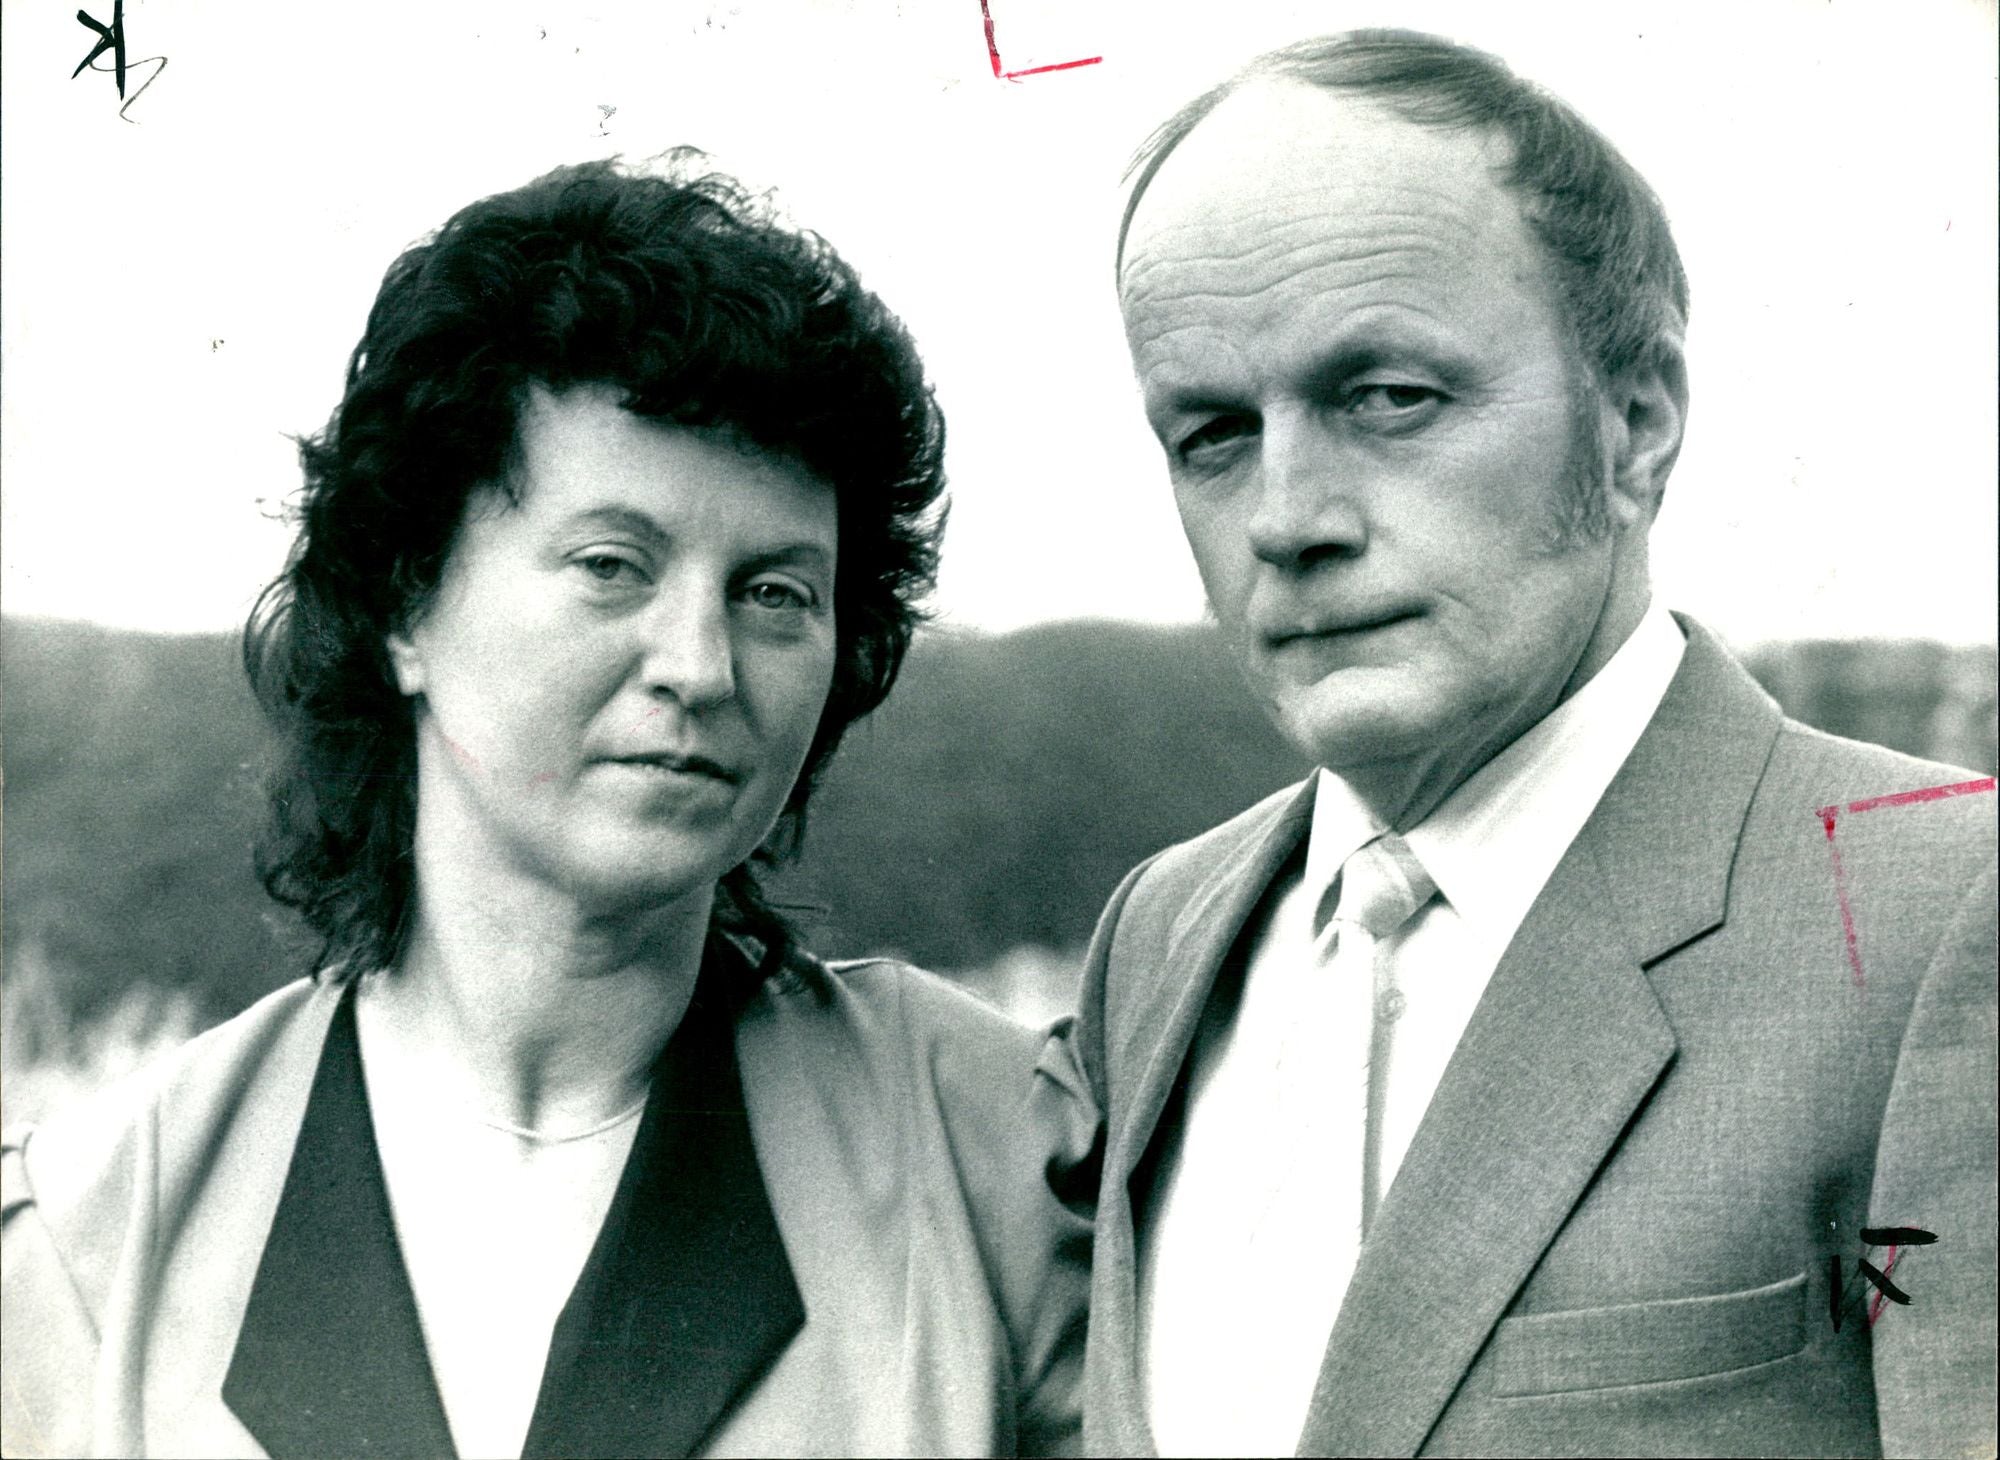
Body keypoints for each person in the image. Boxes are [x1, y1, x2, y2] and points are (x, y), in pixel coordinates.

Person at [1, 158, 1092, 1459]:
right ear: (407, 601)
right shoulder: (94, 1241)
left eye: (777, 593)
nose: (700, 664)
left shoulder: (998, 1156)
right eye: (612, 565)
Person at [1072, 30, 1996, 1459]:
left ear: (1638, 424)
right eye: (1210, 433)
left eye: (1389, 399)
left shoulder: (1946, 911)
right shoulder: (1159, 937)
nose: (1286, 517)